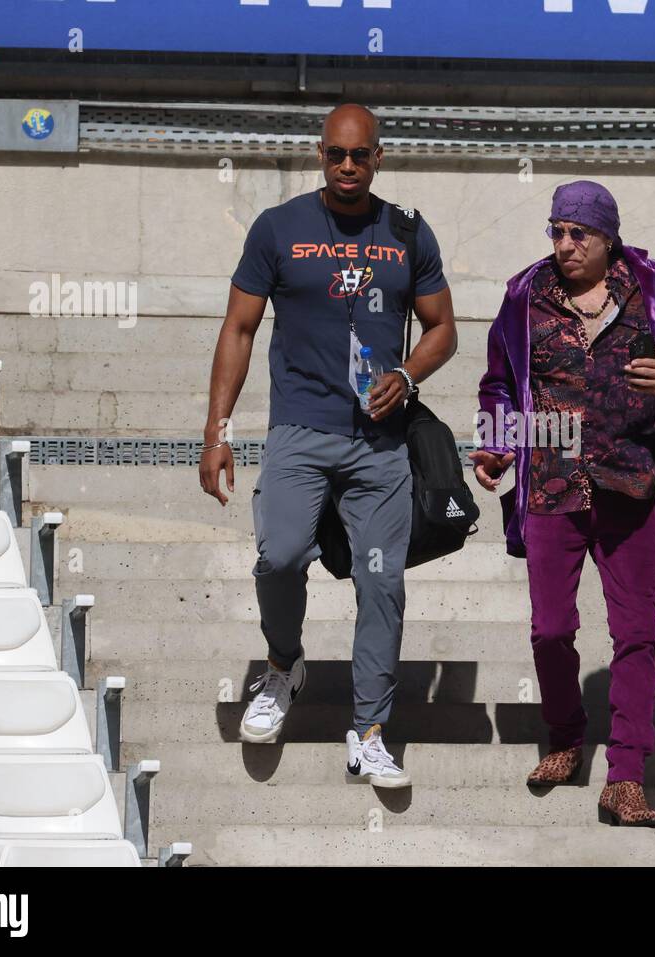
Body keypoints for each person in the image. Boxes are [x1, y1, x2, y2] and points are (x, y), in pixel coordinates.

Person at [199, 104, 456, 788]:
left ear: (379, 157)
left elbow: (442, 329)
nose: (348, 166)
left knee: (381, 582)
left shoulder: (406, 232)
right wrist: (217, 432)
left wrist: (406, 374)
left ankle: (368, 730)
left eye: (361, 155)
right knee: (278, 555)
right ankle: (284, 665)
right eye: (337, 155)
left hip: (379, 446)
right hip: (300, 433)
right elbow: (239, 330)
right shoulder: (279, 228)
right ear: (320, 154)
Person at [473, 180, 655, 825]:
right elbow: (498, 380)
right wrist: (496, 443)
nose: (566, 245)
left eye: (579, 234)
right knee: (551, 629)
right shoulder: (525, 294)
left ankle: (628, 774)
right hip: (551, 483)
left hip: (631, 483)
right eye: (557, 231)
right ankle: (566, 736)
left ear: (609, 238)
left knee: (636, 635)